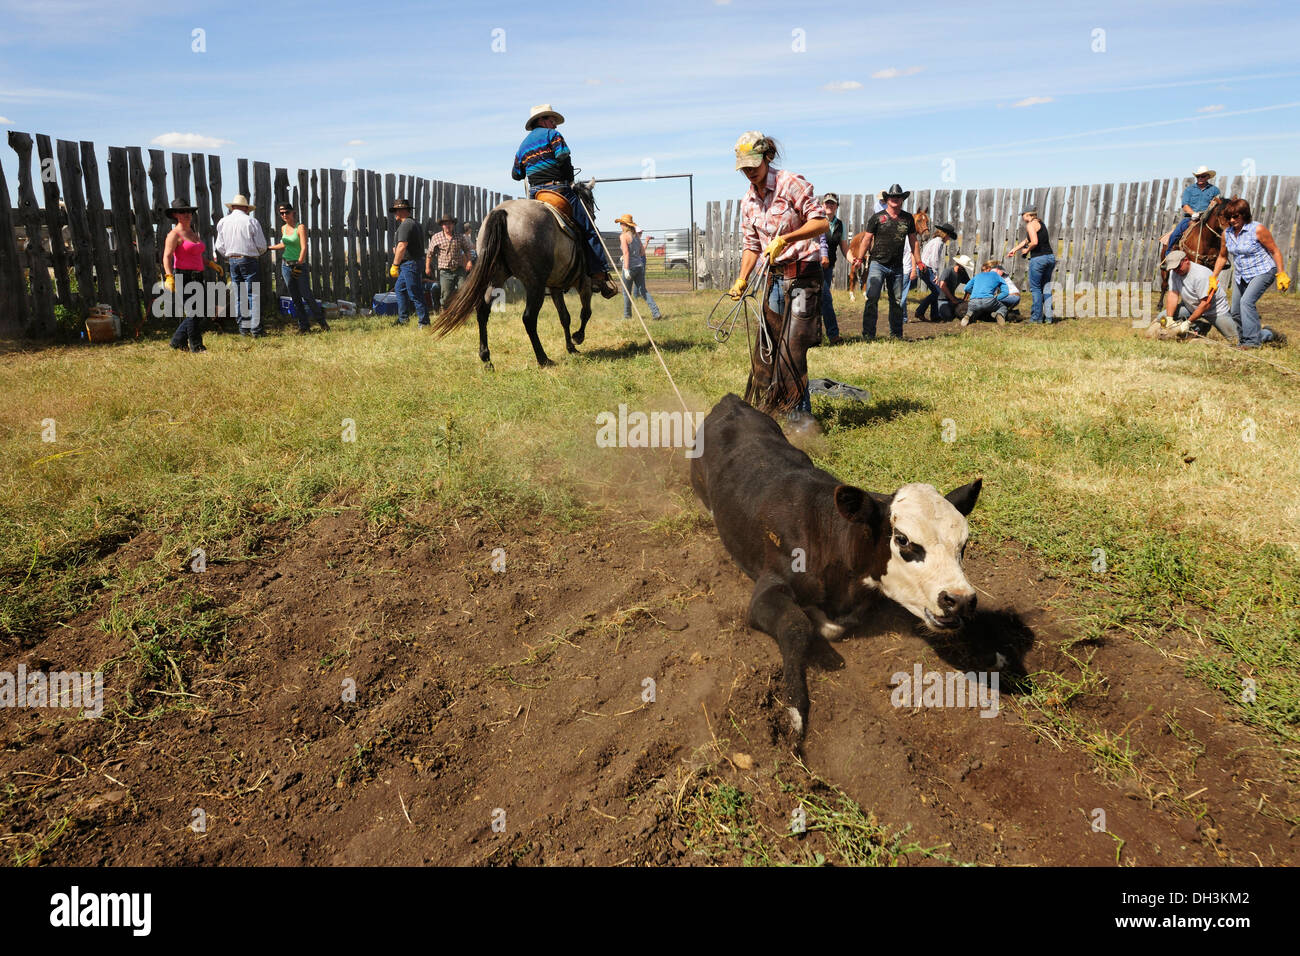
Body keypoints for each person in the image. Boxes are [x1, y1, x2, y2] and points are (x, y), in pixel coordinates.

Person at [726, 131, 828, 424]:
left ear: (766, 157)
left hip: (804, 276)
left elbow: (820, 222)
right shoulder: (748, 201)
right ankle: (766, 416)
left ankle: (799, 418)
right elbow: (752, 246)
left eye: (752, 166)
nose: (748, 172)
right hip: (774, 279)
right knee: (767, 352)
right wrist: (742, 279)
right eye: (743, 168)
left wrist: (787, 238)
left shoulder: (790, 183)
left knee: (791, 349)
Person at [511, 104, 618, 298]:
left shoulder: (522, 145)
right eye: (552, 120)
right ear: (542, 120)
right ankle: (599, 275)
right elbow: (564, 159)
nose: (555, 124)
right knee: (590, 229)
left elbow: (516, 175)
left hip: (535, 195)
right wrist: (569, 179)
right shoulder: (553, 136)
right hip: (558, 190)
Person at [1210, 198, 1291, 348]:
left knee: (1246, 302)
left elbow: (1275, 250)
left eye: (1236, 217)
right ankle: (1246, 340)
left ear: (1244, 214)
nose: (1232, 220)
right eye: (1229, 218)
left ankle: (1252, 342)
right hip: (1242, 275)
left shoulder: (1257, 229)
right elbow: (1222, 256)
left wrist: (1281, 273)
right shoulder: (1226, 234)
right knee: (1235, 311)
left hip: (1263, 271)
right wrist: (1213, 277)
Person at [857, 184, 922, 340]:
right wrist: (859, 258)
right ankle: (868, 335)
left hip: (897, 266)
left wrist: (919, 262)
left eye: (898, 197)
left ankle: (896, 335)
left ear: (902, 200)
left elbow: (914, 241)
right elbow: (867, 239)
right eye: (892, 197)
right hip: (877, 264)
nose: (895, 199)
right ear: (887, 200)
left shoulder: (907, 219)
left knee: (897, 302)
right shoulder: (877, 218)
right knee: (872, 298)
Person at [162, 198, 224, 352]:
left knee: (200, 312)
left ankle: (177, 341)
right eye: (183, 212)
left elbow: (195, 255)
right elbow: (167, 256)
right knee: (194, 312)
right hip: (184, 276)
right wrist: (169, 276)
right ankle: (197, 346)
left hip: (198, 276)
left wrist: (210, 264)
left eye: (189, 211)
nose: (187, 214)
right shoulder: (174, 234)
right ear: (176, 214)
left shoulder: (192, 232)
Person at [268, 201, 328, 334]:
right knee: (295, 298)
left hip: (298, 265)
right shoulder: (283, 228)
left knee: (306, 295)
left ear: (293, 212)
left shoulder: (300, 227)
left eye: (286, 212)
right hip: (286, 266)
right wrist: (270, 248)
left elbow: (304, 247)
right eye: (281, 213)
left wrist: (299, 264)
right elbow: (284, 244)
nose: (284, 215)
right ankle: (304, 326)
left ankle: (323, 324)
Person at [215, 193, 269, 336]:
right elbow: (262, 246)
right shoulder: (251, 221)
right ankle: (256, 329)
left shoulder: (223, 222)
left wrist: (229, 255)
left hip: (232, 260)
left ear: (233, 207)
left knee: (239, 294)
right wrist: (254, 252)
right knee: (253, 294)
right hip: (249, 259)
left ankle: (243, 328)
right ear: (246, 209)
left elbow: (219, 246)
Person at [1157, 250, 1235, 342]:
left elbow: (1206, 303)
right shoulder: (1175, 272)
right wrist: (1169, 318)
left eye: (1178, 267)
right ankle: (1199, 327)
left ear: (1186, 260)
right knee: (1161, 318)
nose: (1176, 270)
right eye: (1173, 269)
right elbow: (1173, 295)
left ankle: (1191, 325)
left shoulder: (1201, 275)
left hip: (1215, 310)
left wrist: (1188, 322)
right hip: (1190, 307)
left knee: (1235, 339)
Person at [1008, 204, 1056, 324]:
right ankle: (1049, 318)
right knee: (1046, 287)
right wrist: (1015, 249)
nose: (1022, 217)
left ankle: (1036, 318)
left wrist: (1027, 250)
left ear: (1027, 214)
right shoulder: (1040, 223)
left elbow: (1034, 242)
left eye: (1023, 215)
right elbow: (1027, 240)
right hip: (1050, 257)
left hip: (1038, 259)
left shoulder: (1030, 225)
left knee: (1036, 289)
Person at [1160, 165, 1221, 255]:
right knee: (1175, 234)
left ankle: (1222, 256)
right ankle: (1168, 254)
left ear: (1208, 177)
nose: (1200, 178)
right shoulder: (1189, 190)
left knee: (1221, 235)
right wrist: (1193, 213)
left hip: (1207, 218)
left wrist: (1212, 206)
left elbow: (1217, 205)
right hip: (1191, 218)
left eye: (1203, 176)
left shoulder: (1214, 190)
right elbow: (1185, 205)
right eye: (1198, 176)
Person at [386, 198, 428, 326]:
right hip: (410, 263)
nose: (395, 214)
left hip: (410, 264)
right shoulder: (413, 223)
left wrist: (394, 265)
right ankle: (403, 319)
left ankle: (424, 322)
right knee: (399, 289)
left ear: (403, 210)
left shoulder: (406, 225)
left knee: (415, 292)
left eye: (396, 211)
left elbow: (402, 246)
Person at [615, 214, 662, 321]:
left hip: (630, 268)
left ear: (626, 225)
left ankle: (627, 316)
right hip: (639, 266)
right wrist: (631, 256)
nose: (620, 225)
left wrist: (626, 268)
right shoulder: (636, 235)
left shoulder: (623, 236)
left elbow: (626, 252)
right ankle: (656, 313)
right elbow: (642, 252)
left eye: (621, 223)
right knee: (643, 291)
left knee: (626, 292)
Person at [425, 213, 474, 312]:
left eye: (450, 223)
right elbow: (430, 254)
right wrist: (427, 267)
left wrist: (469, 261)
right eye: (445, 224)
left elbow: (467, 250)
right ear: (442, 225)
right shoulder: (436, 237)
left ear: (453, 225)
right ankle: (444, 311)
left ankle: (462, 312)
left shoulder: (459, 237)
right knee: (446, 294)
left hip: (459, 269)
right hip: (445, 271)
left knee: (463, 290)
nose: (448, 226)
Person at [818, 193, 850, 344]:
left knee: (822, 300)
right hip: (813, 266)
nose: (829, 206)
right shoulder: (816, 221)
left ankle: (817, 334)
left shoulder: (840, 225)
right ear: (822, 205)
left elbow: (844, 247)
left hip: (828, 268)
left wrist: (853, 260)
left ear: (837, 206)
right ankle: (833, 335)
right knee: (825, 299)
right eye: (827, 203)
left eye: (832, 203)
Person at [915, 222, 956, 320]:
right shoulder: (938, 242)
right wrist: (936, 273)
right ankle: (920, 311)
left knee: (935, 291)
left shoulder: (936, 241)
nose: (949, 238)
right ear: (945, 234)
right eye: (949, 235)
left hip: (925, 268)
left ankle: (934, 316)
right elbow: (934, 259)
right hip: (927, 268)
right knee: (937, 291)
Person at [959, 261, 1012, 327]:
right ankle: (999, 314)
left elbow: (966, 288)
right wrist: (996, 298)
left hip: (974, 301)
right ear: (991, 269)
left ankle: (967, 316)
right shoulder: (996, 276)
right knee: (1003, 307)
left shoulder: (977, 276)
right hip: (989, 301)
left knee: (971, 309)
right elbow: (1006, 292)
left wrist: (975, 294)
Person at [935, 255, 974, 321]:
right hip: (942, 299)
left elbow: (970, 285)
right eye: (963, 267)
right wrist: (953, 299)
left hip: (952, 299)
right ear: (959, 265)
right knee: (948, 317)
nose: (964, 269)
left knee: (965, 310)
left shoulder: (962, 272)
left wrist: (965, 298)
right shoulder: (948, 271)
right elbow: (942, 285)